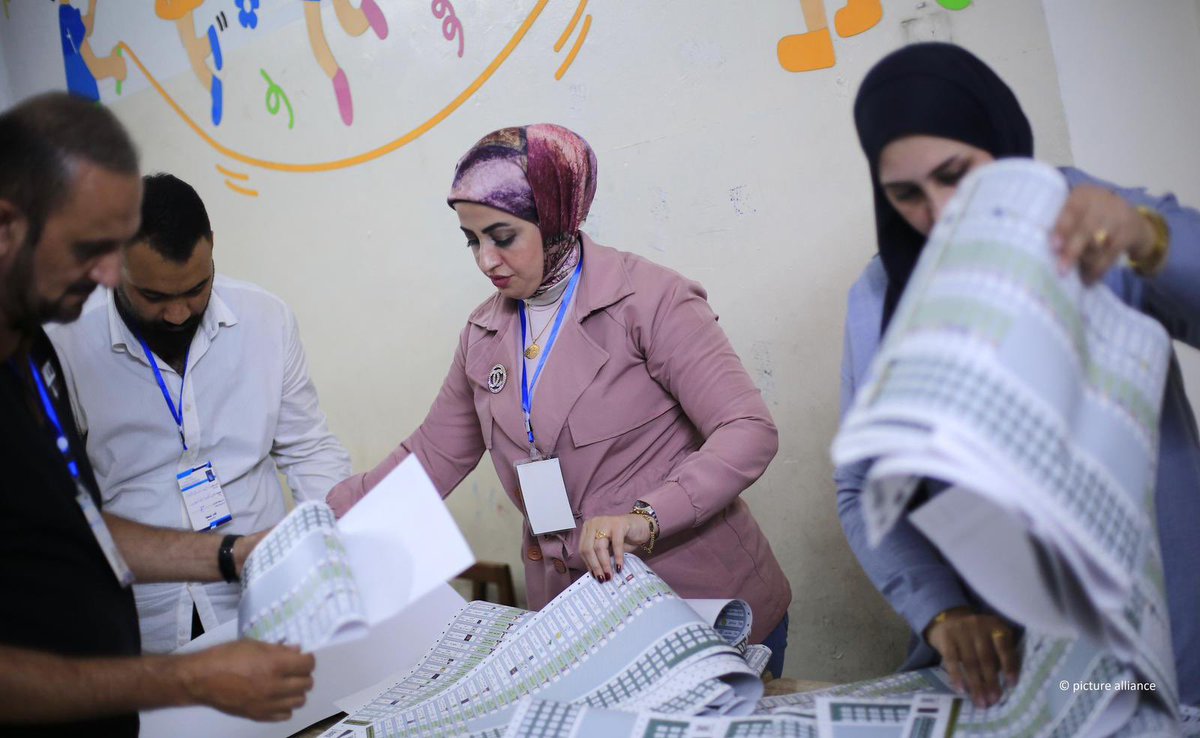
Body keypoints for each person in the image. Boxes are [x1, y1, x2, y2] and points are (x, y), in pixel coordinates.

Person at [328, 124, 793, 676]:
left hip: (695, 603)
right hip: (577, 621)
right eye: (472, 240)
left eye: (502, 237)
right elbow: (430, 456)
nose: (486, 260)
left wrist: (646, 517)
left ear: (554, 216)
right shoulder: (482, 334)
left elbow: (748, 429)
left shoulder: (651, 300)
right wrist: (321, 523)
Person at [837, 42, 1200, 709]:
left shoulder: (1096, 225)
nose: (941, 212)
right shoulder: (878, 300)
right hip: (1016, 659)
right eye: (907, 194)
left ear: (999, 142)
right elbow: (863, 487)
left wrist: (1149, 239)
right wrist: (941, 610)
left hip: (1162, 629)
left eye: (957, 174)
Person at [0, 93, 314, 737]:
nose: (105, 274)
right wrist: (185, 679)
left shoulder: (32, 352)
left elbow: (78, 522)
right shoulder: (65, 337)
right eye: (90, 248)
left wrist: (233, 553)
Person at [47, 173, 351, 654]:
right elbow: (59, 505)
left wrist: (338, 540)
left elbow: (309, 448)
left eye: (196, 289)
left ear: (212, 247)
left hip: (262, 595)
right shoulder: (65, 343)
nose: (178, 314)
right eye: (154, 297)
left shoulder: (266, 319)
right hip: (139, 612)